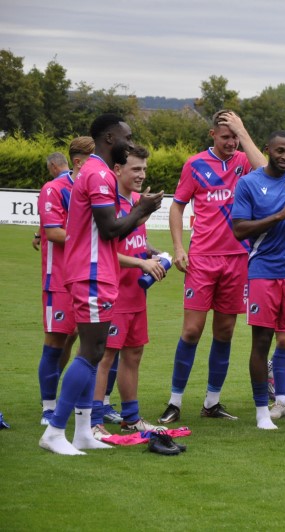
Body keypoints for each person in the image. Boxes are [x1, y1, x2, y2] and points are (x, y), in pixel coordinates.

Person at [39, 114, 163, 455]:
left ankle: (82, 432)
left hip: (97, 271)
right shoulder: (97, 174)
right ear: (111, 138)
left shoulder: (99, 173)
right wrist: (143, 209)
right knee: (91, 352)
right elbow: (110, 229)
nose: (130, 141)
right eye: (127, 136)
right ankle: (53, 431)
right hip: (91, 273)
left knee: (92, 354)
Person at [159, 111, 266, 424]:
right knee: (192, 330)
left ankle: (212, 402)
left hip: (238, 257)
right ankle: (175, 401)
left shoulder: (245, 162)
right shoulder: (194, 164)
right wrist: (179, 248)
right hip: (203, 258)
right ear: (212, 135)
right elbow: (177, 206)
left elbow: (266, 169)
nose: (231, 142)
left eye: (234, 136)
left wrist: (243, 132)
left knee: (225, 331)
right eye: (225, 137)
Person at [232, 130, 285, 429]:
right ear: (267, 150)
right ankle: (261, 411)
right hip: (263, 272)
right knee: (262, 341)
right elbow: (239, 229)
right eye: (280, 151)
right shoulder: (249, 184)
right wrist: (279, 216)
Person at [90, 145, 169, 439]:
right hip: (113, 293)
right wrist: (140, 262)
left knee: (134, 354)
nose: (141, 175)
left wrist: (153, 253)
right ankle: (94, 422)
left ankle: (131, 418)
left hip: (136, 292)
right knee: (105, 357)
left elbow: (134, 242)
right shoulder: (107, 204)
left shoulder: (138, 201)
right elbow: (105, 248)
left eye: (144, 169)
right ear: (118, 170)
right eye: (136, 169)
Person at [36, 139, 93, 425]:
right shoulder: (54, 189)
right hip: (59, 278)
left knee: (83, 341)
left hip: (91, 276)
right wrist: (91, 240)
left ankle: (89, 403)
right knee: (56, 341)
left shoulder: (98, 187)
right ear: (80, 162)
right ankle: (49, 406)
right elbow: (54, 232)